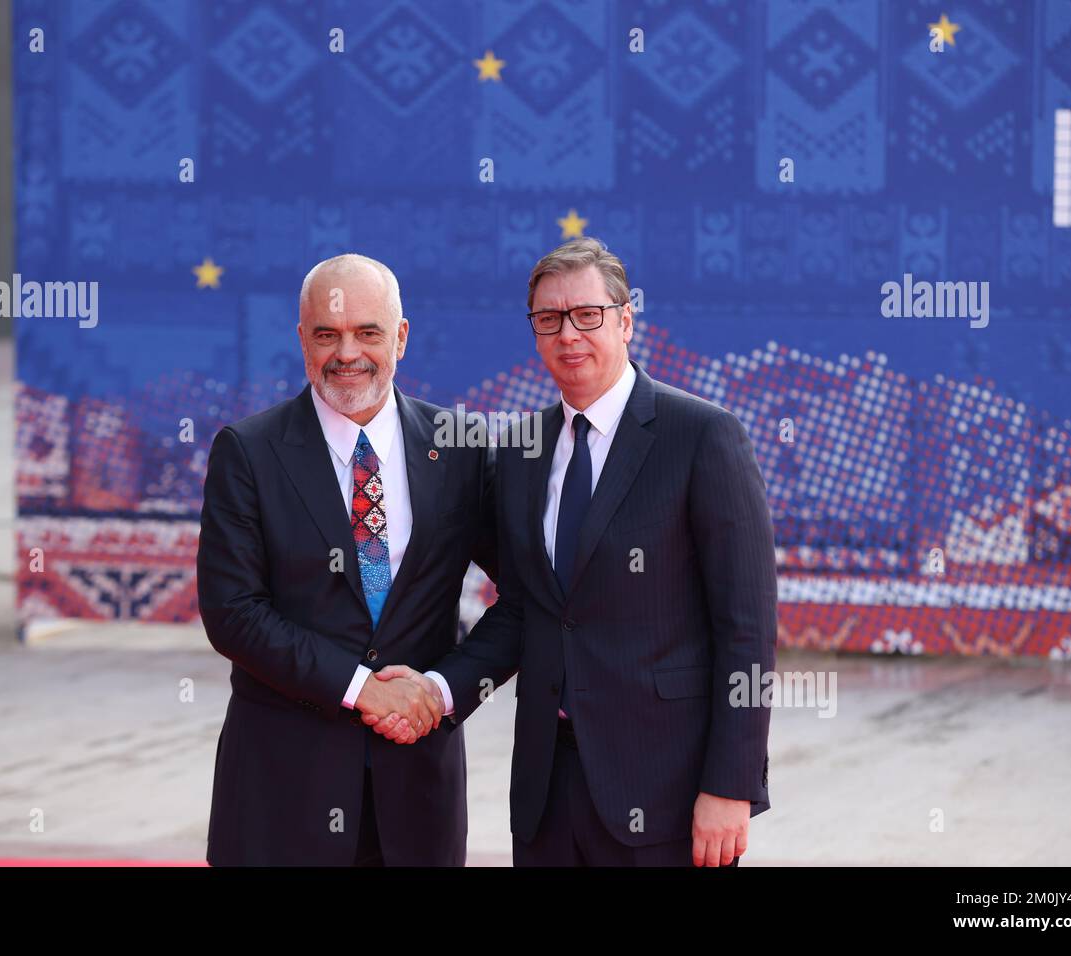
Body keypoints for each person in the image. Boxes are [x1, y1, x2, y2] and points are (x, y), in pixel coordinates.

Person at [368, 237, 777, 867]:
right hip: (546, 793)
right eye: (549, 320)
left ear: (625, 321)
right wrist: (440, 690)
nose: (569, 335)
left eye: (587, 315)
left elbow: (747, 631)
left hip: (665, 791)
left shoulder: (701, 436)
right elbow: (525, 609)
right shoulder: (522, 449)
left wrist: (730, 786)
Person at [198, 253, 495, 865]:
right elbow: (232, 612)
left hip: (419, 794)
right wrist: (362, 689)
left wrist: (441, 691)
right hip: (283, 794)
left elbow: (526, 599)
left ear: (402, 338)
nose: (347, 353)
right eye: (327, 334)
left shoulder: (459, 449)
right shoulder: (248, 454)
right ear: (302, 338)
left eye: (368, 332)